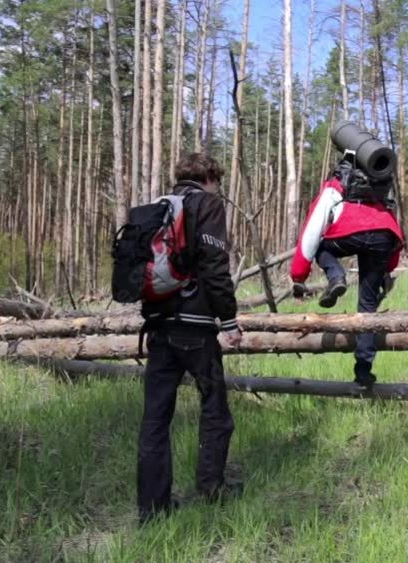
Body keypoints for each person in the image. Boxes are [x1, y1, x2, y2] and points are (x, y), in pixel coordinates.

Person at [137, 152, 243, 524]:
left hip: (159, 327)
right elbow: (215, 267)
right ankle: (212, 489)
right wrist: (228, 321)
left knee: (155, 420)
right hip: (197, 328)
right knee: (215, 410)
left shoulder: (158, 208)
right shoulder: (207, 204)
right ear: (210, 177)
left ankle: (152, 508)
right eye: (218, 180)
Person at [290, 159, 404, 389]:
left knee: (321, 246)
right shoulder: (378, 182)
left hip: (348, 232)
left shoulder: (338, 181)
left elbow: (314, 227)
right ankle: (363, 375)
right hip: (384, 236)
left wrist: (299, 273)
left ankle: (336, 276)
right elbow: (390, 221)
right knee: (367, 307)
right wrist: (388, 268)